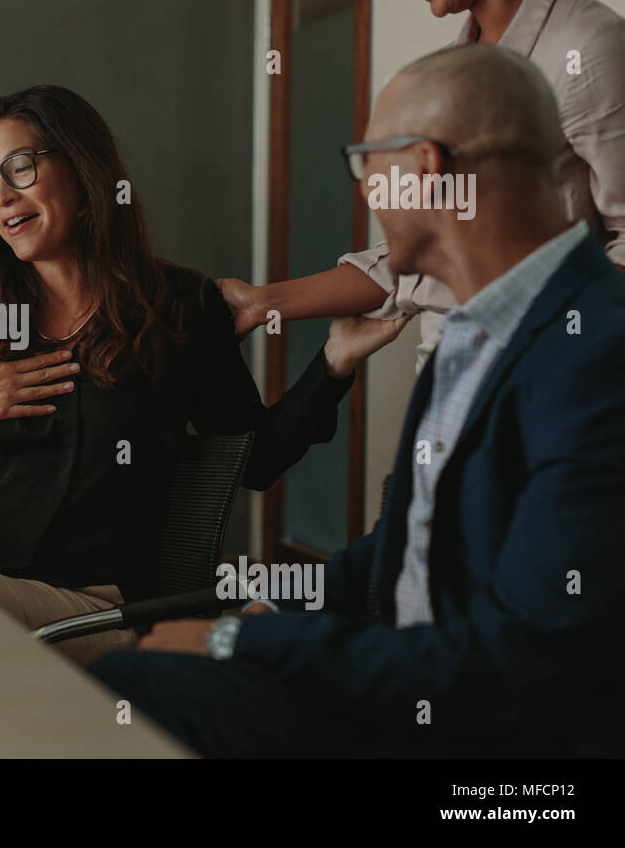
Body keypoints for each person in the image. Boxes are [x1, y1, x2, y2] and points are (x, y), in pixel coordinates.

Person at [90, 45, 625, 757]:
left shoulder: (598, 352)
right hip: (407, 692)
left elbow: (516, 667)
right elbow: (401, 553)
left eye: (367, 162)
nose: (364, 189)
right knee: (131, 682)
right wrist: (270, 605)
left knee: (130, 693)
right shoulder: (471, 331)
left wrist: (238, 637)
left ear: (427, 168)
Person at [0, 85, 402, 666]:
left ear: (80, 165)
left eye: (20, 168)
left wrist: (334, 363)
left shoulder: (178, 305)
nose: (1, 197)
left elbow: (256, 459)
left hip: (92, 608)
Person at [219, 0, 625, 370]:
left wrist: (534, 353)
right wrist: (262, 303)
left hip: (538, 390)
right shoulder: (456, 70)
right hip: (447, 378)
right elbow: (419, 256)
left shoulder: (589, 50)